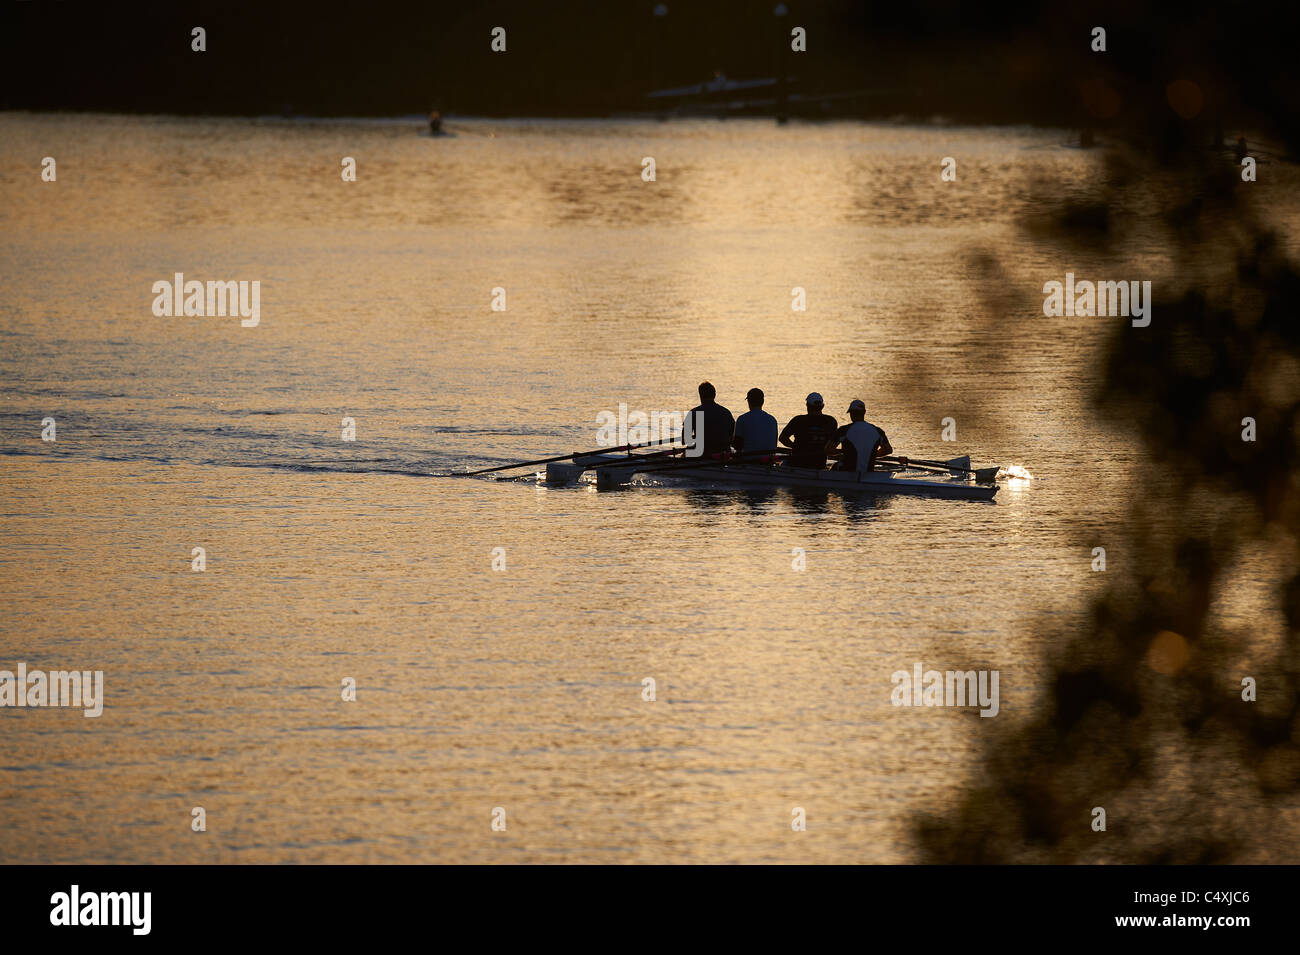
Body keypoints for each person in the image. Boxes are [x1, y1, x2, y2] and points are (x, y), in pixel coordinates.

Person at [827, 399, 895, 471]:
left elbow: (828, 450)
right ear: (864, 412)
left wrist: (842, 451)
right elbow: (888, 450)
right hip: (869, 471)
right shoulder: (878, 431)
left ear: (851, 413)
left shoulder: (843, 430)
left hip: (847, 471)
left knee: (834, 466)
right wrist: (871, 455)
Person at [778, 393, 838, 469]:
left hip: (797, 463)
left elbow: (782, 438)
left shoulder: (798, 420)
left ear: (807, 405)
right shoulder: (831, 421)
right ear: (822, 406)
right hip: (819, 464)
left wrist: (795, 447)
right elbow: (831, 447)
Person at [684, 381, 735, 457]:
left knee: (686, 453)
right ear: (714, 395)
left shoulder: (693, 413)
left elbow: (685, 439)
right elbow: (732, 436)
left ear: (700, 395)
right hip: (723, 454)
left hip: (701, 454)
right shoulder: (726, 412)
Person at [731, 388, 778, 460]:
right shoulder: (773, 420)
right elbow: (774, 444)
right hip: (768, 462)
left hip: (749, 461)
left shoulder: (742, 419)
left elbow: (737, 446)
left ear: (749, 402)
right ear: (763, 401)